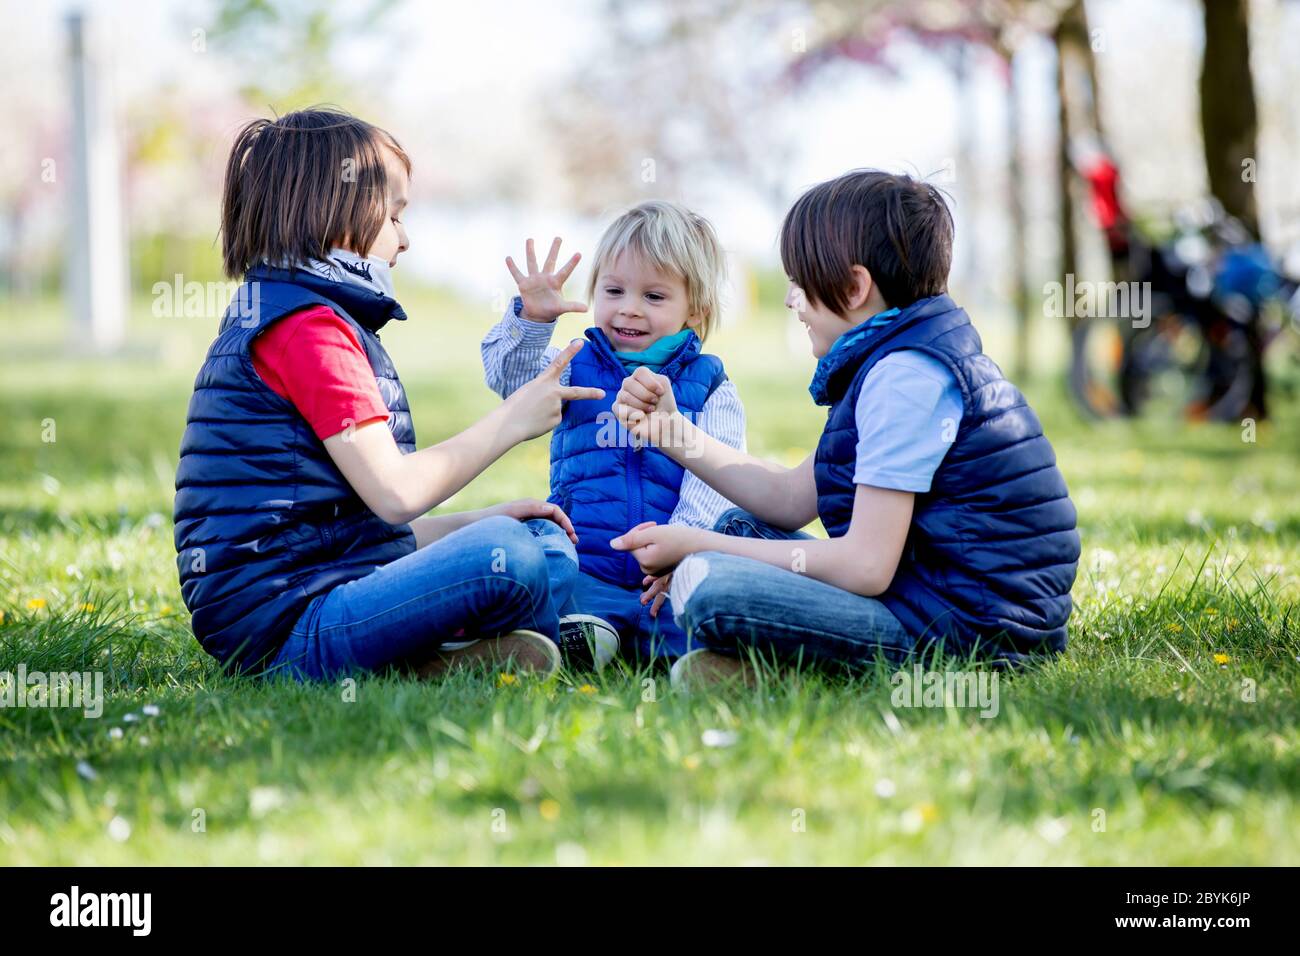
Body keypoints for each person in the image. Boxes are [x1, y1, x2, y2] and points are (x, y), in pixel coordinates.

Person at [173, 108, 602, 681]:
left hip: (327, 590)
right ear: (336, 211)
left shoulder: (311, 318)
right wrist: (512, 420)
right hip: (285, 627)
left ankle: (434, 661)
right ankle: (433, 656)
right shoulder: (306, 331)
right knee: (512, 554)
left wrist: (473, 522)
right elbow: (396, 496)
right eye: (395, 216)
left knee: (538, 541)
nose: (405, 239)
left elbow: (355, 534)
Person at [609, 170, 1081, 689]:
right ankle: (760, 669)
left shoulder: (906, 378)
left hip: (971, 632)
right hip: (929, 597)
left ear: (855, 287)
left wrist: (699, 547)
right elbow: (790, 498)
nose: (791, 300)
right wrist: (674, 433)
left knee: (713, 581)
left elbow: (865, 567)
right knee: (735, 527)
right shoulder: (892, 360)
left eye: (800, 283)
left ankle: (777, 654)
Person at [481, 202, 745, 664]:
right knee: (551, 583)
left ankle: (690, 654)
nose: (629, 309)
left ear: (695, 310)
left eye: (654, 297)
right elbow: (512, 384)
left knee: (699, 606)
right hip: (588, 565)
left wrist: (681, 545)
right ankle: (577, 637)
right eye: (615, 289)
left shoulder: (711, 385)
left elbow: (717, 480)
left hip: (668, 573)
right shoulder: (574, 364)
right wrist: (532, 322)